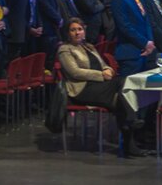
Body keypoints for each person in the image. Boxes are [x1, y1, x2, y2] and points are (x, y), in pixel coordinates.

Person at [58, 17, 139, 158]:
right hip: (81, 90)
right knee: (123, 82)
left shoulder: (89, 47)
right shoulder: (65, 49)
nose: (77, 33)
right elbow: (75, 72)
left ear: (84, 31)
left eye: (79, 29)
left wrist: (108, 69)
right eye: (73, 30)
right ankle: (131, 123)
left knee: (120, 99)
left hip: (98, 87)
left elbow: (103, 64)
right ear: (67, 33)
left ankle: (129, 144)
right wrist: (101, 75)